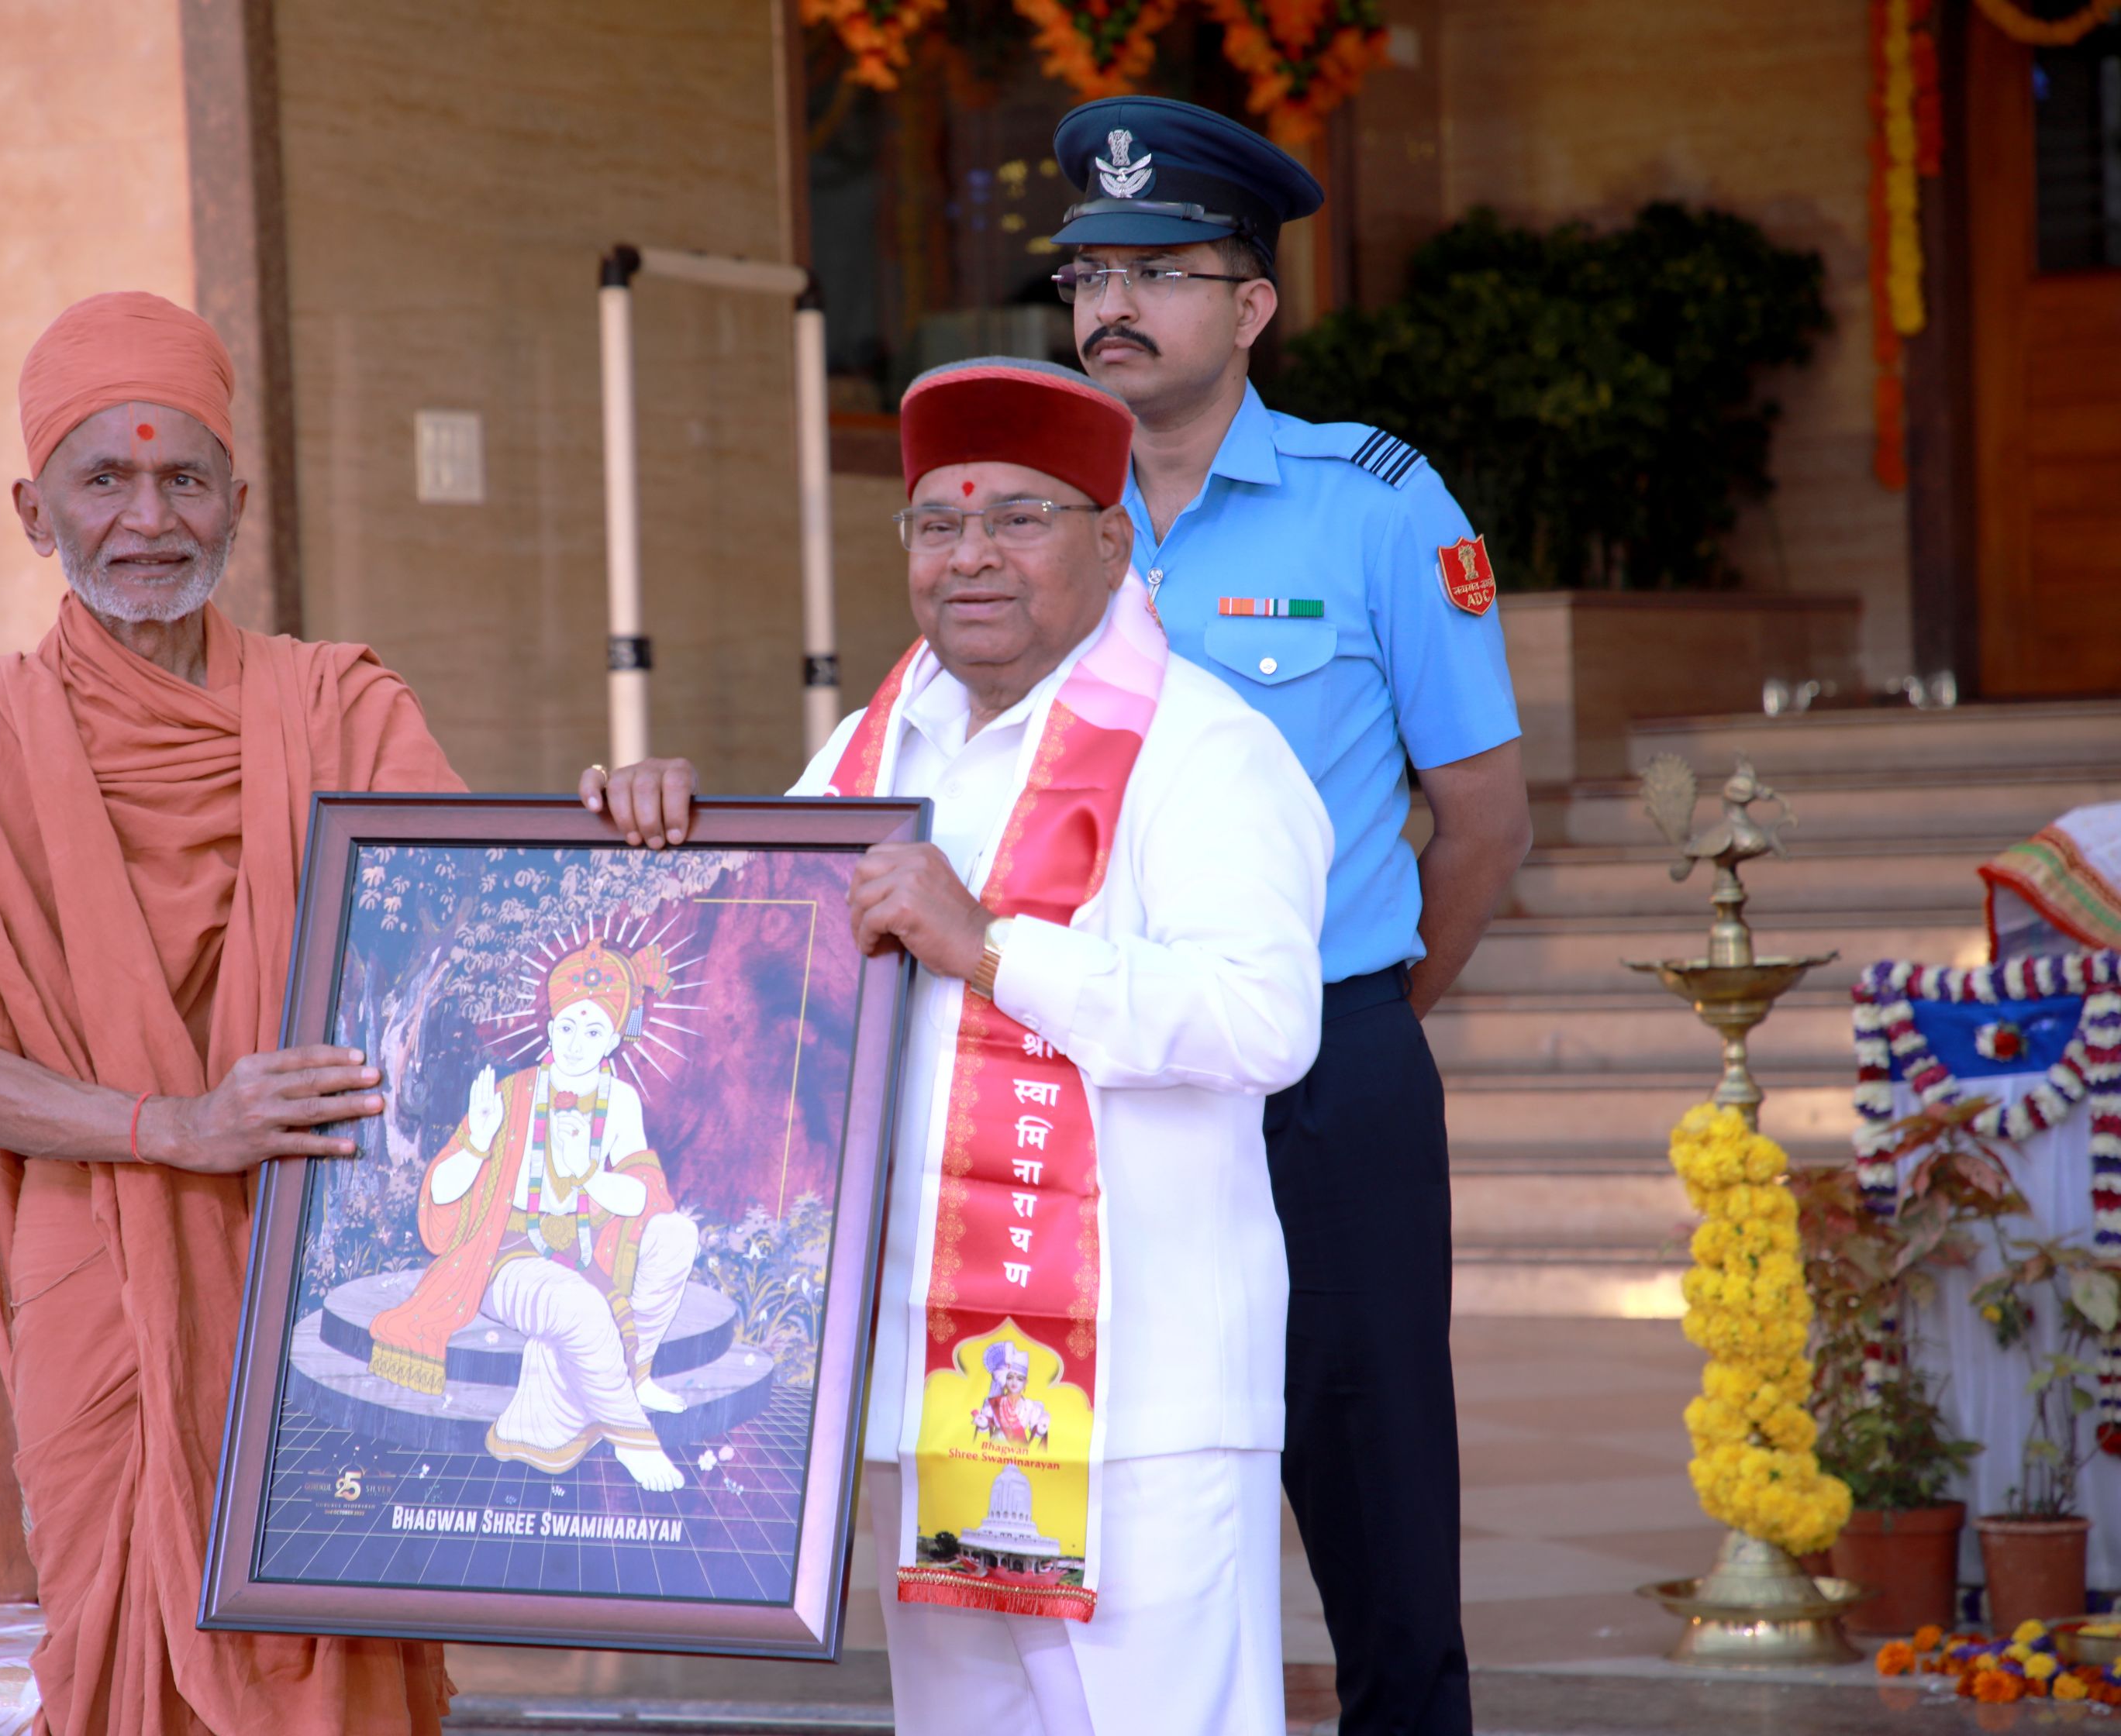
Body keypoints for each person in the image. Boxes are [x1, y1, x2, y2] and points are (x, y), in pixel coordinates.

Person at [583, 356, 1330, 1735]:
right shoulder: (872, 750)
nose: (971, 556)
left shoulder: (1206, 753)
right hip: (919, 1401)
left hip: (1139, 1412)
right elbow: (744, 979)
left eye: (1020, 519)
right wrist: (653, 840)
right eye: (938, 523)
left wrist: (996, 948)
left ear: (1113, 539)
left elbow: (1266, 1021)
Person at [0, 291, 457, 1736]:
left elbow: (476, 943)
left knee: (340, 1642)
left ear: (238, 500)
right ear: (32, 507)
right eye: (103, 479)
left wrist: (632, 827)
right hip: (99, 1274)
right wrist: (176, 1129)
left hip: (334, 1252)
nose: (148, 518)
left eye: (183, 477)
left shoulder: (344, 709)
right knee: (132, 1653)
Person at [1046, 95, 1533, 1736]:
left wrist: (1370, 1006)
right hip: (1094, 1068)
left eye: (1159, 271)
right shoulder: (1033, 525)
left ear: (1251, 305)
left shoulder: (1378, 505)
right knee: (1119, 1483)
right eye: (1087, 274)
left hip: (1325, 1069)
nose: (1112, 305)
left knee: (1379, 1496)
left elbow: (1480, 820)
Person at [366, 935, 703, 1490]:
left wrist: (589, 1174)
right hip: (509, 1257)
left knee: (677, 1235)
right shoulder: (512, 1092)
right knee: (574, 1304)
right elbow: (441, 1209)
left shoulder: (619, 1102)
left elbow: (646, 1196)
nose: (575, 1042)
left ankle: (633, 1374)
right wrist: (476, 1141)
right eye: (567, 1026)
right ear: (549, 1028)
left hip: (594, 1248)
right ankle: (632, 1439)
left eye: (593, 1031)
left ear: (616, 1038)